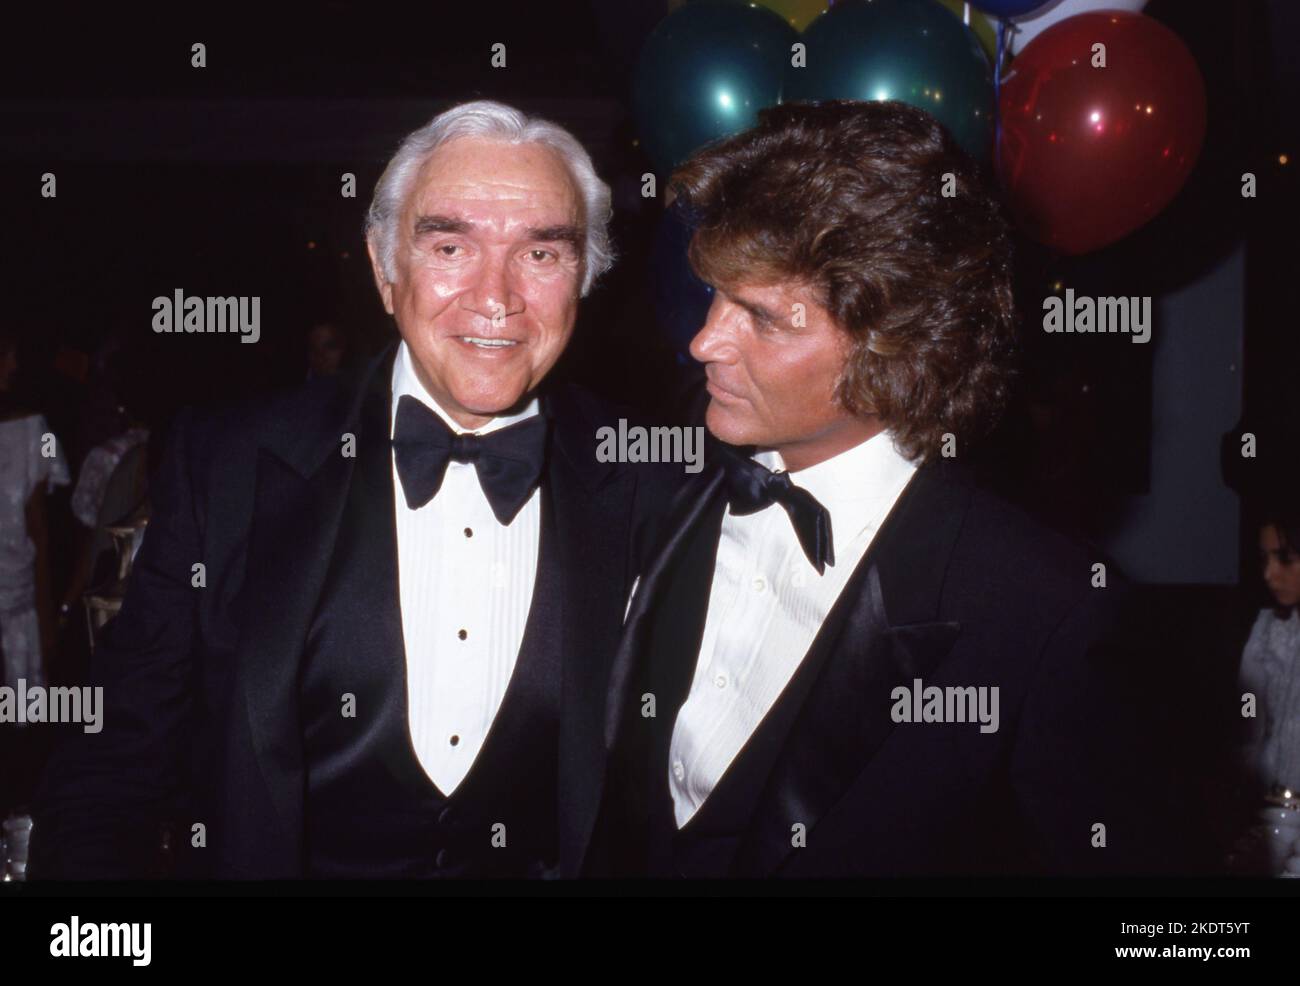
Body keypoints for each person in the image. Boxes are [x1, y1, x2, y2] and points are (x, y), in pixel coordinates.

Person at [30, 100, 679, 879]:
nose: (496, 297)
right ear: (384, 269)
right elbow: (115, 758)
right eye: (450, 246)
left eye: (542, 255)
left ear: (585, 277)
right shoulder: (230, 461)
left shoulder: (657, 482)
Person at [598, 100, 1173, 878]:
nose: (704, 341)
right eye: (714, 294)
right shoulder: (655, 493)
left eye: (764, 319)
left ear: (893, 345)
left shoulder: (1043, 611)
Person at [0, 327, 71, 696]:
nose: (13, 365)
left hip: (17, 610)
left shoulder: (33, 431)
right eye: (6, 354)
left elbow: (39, 528)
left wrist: (47, 616)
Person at [1237, 504, 1300, 797]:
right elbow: (1248, 730)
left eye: (1285, 558)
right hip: (1272, 809)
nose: (1269, 574)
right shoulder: (1267, 631)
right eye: (1264, 559)